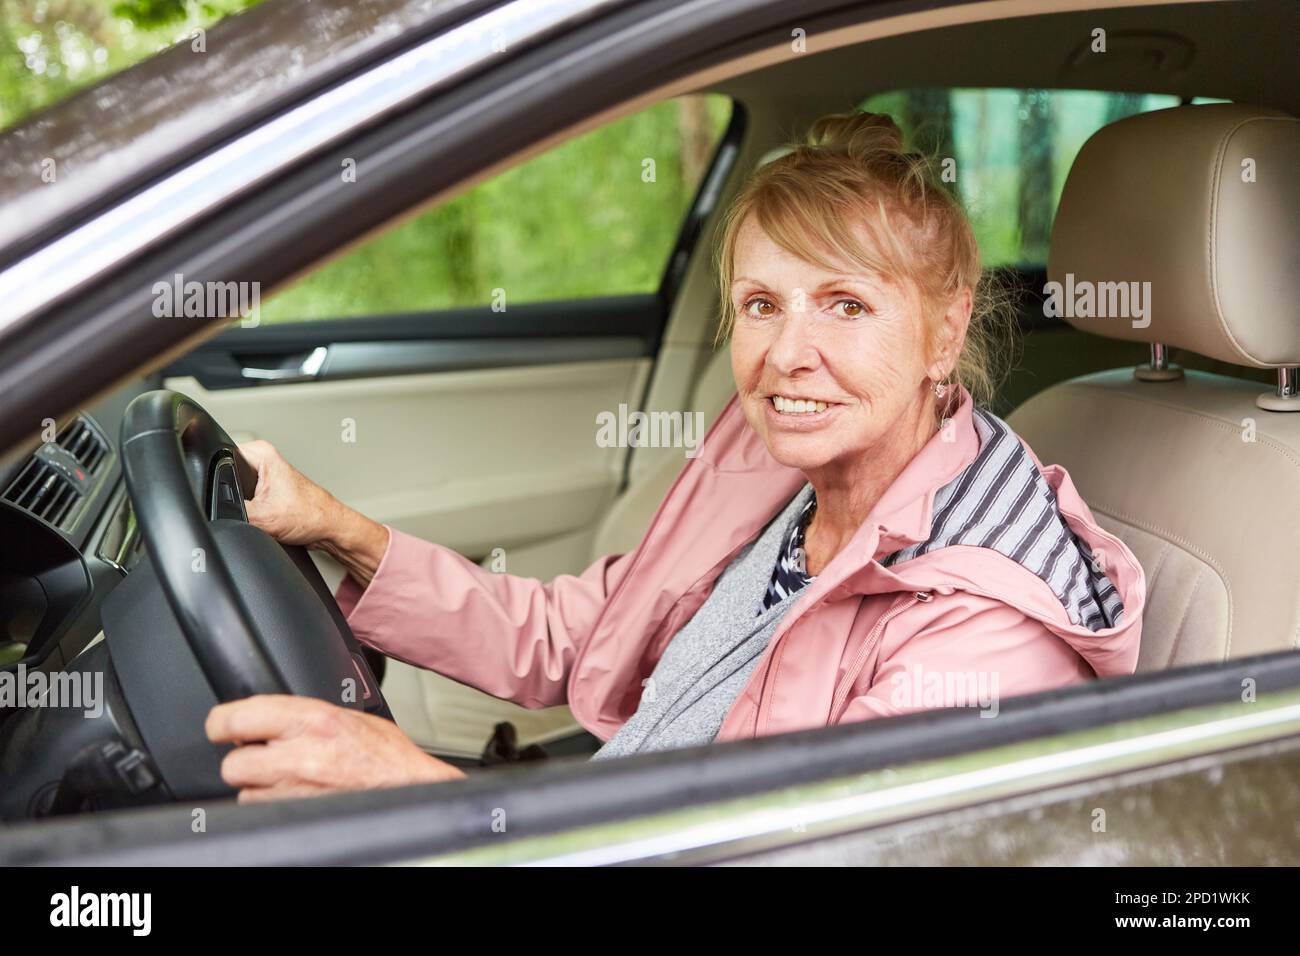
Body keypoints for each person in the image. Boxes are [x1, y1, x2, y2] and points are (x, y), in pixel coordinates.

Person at [205, 110, 1144, 803]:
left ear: (945, 331)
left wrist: (422, 798)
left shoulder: (986, 626)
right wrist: (338, 529)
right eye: (762, 305)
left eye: (847, 305)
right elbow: (576, 635)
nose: (787, 353)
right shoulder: (781, 482)